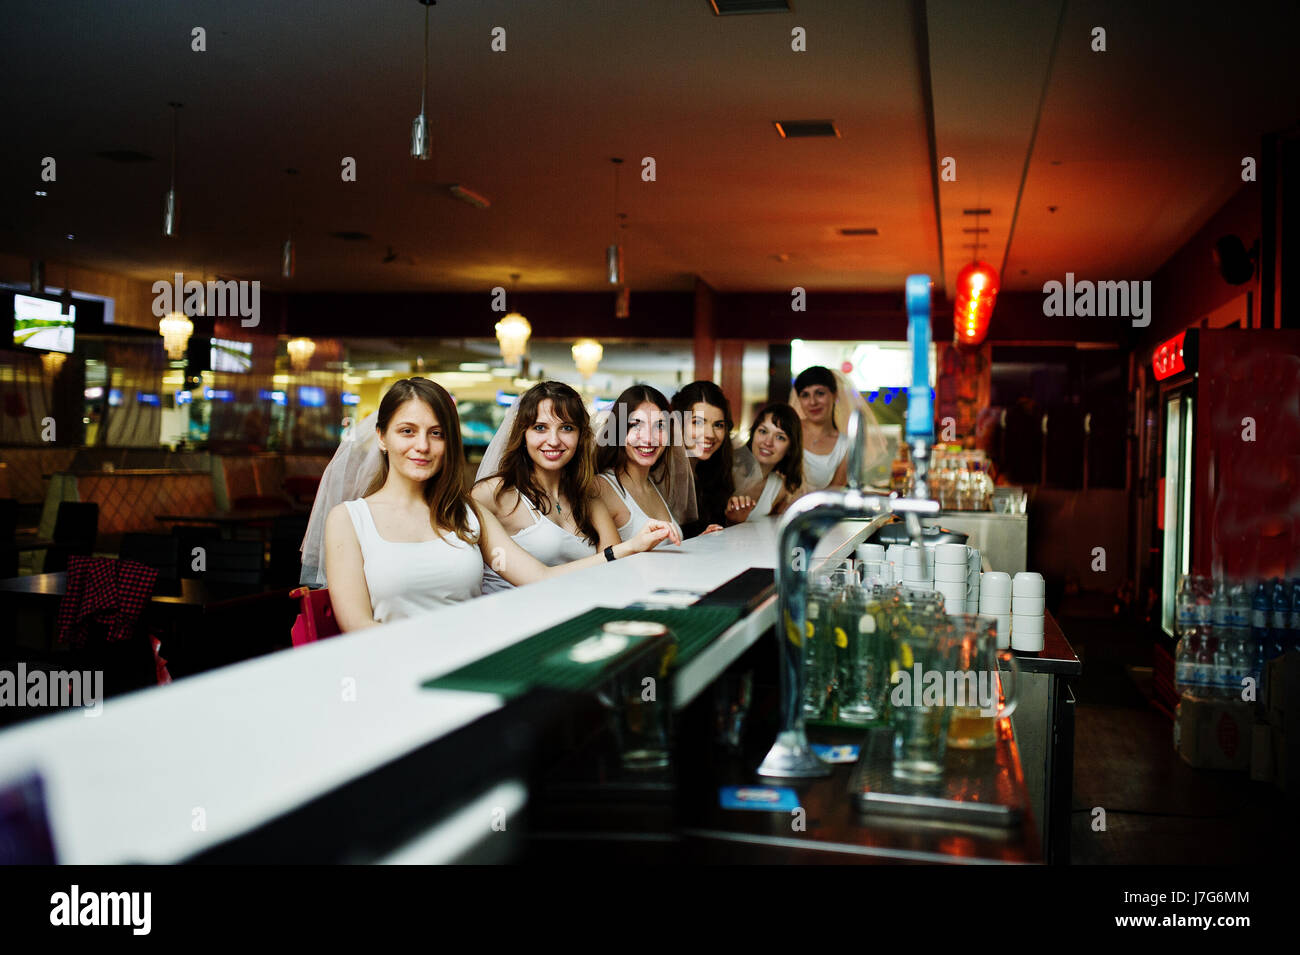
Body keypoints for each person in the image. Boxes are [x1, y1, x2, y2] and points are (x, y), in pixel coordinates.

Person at [312, 378, 677, 631]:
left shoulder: (466, 513)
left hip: (482, 653)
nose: (422, 445)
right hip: (394, 668)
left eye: (436, 433)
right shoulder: (348, 518)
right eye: (407, 431)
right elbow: (358, 626)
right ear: (381, 436)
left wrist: (631, 547)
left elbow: (540, 577)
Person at [473, 381, 623, 594]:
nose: (553, 440)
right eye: (540, 428)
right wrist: (633, 545)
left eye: (566, 428)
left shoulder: (587, 500)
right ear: (523, 435)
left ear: (580, 437)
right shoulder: (493, 494)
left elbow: (617, 569)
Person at [595, 384, 692, 543]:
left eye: (660, 426)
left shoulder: (654, 484)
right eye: (635, 425)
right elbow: (604, 560)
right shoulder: (601, 488)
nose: (648, 438)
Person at [791, 365, 889, 490]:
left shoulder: (845, 446)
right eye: (805, 395)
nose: (812, 402)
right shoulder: (789, 431)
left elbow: (834, 491)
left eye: (820, 393)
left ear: (835, 395)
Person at [669, 380, 731, 537]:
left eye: (718, 425)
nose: (710, 434)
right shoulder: (662, 473)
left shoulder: (713, 471)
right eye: (698, 422)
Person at [725, 403, 805, 522]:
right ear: (753, 434)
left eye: (780, 437)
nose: (768, 442)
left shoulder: (779, 488)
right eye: (763, 431)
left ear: (790, 449)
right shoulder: (727, 468)